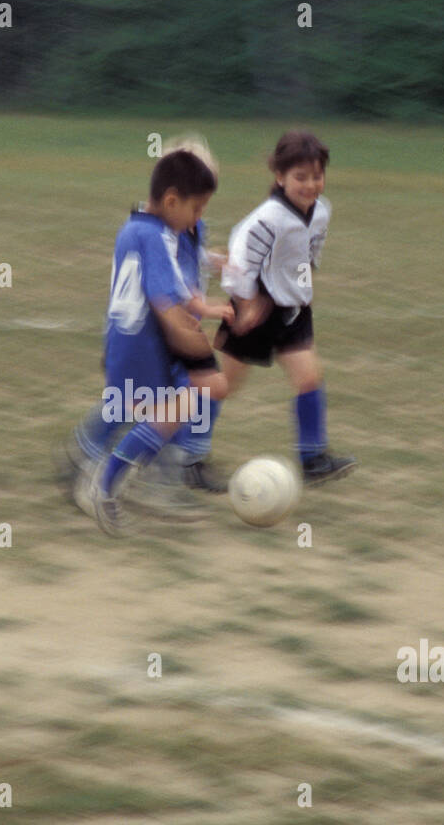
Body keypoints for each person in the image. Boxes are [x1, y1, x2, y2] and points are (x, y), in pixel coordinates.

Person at [72, 148, 229, 535]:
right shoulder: (158, 236)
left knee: (188, 399)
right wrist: (191, 341)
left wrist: (205, 311)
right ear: (172, 200)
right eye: (196, 209)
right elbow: (164, 303)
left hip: (128, 342)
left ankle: (113, 478)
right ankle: (108, 482)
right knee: (177, 405)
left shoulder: (135, 227)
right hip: (143, 345)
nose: (199, 218)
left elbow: (173, 289)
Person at [215, 130, 355, 485]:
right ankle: (187, 455)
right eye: (300, 177)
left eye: (317, 176)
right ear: (280, 177)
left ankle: (312, 460)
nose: (310, 184)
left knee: (309, 377)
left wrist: (301, 289)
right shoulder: (269, 217)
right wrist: (246, 306)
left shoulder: (322, 211)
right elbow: (240, 260)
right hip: (255, 308)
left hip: (291, 311)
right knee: (222, 385)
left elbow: (309, 256)